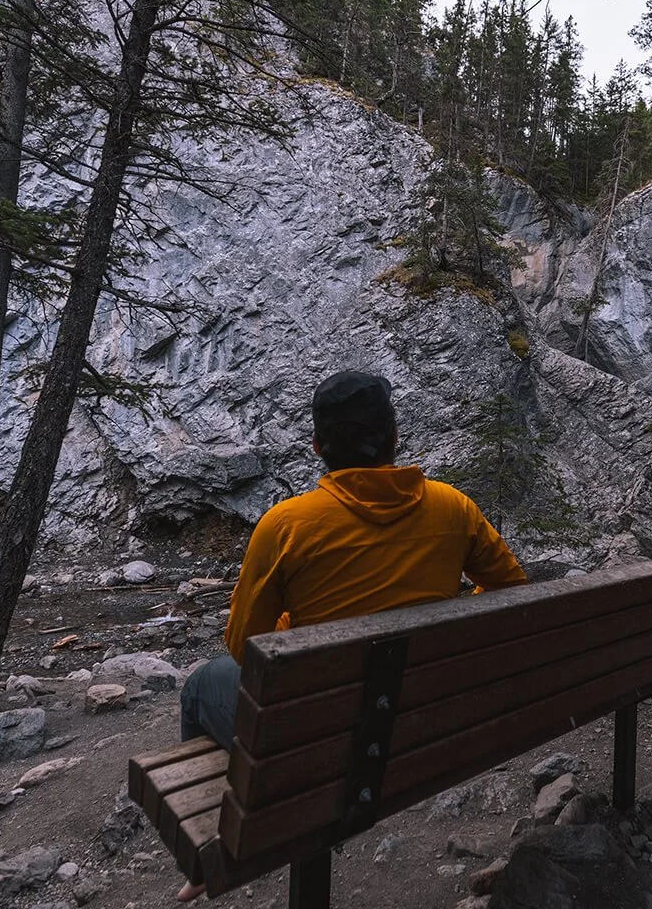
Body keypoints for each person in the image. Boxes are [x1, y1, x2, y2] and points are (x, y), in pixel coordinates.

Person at [175, 371, 525, 898]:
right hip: (430, 720)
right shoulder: (453, 506)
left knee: (203, 685)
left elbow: (244, 648)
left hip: (324, 740)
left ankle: (209, 856)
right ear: (395, 439)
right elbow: (511, 591)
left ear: (318, 446)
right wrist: (452, 616)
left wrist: (295, 625)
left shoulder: (287, 524)